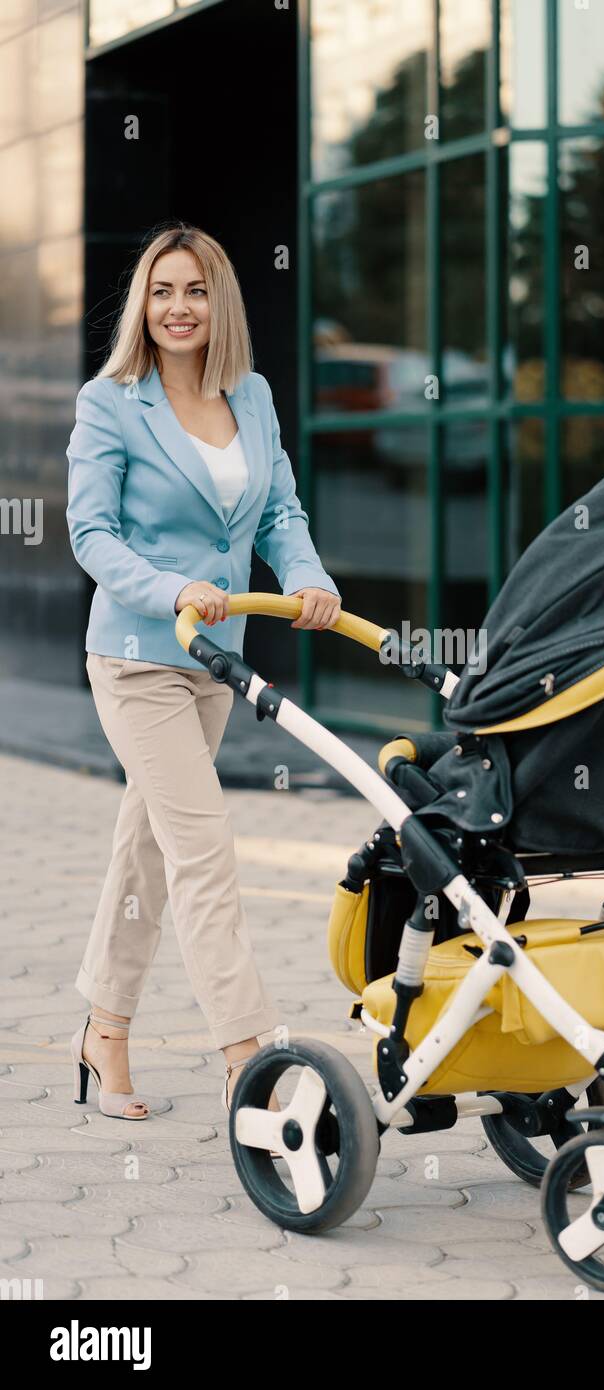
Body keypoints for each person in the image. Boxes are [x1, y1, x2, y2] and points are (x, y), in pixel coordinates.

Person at [66, 222, 341, 1120]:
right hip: (139, 656)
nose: (178, 308)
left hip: (216, 664)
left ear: (220, 302)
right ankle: (248, 1056)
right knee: (205, 850)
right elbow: (90, 536)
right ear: (142, 304)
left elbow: (280, 512)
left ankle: (102, 1032)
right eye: (161, 291)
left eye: (195, 291)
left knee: (148, 851)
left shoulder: (250, 395)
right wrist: (174, 586)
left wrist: (305, 575)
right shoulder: (111, 402)